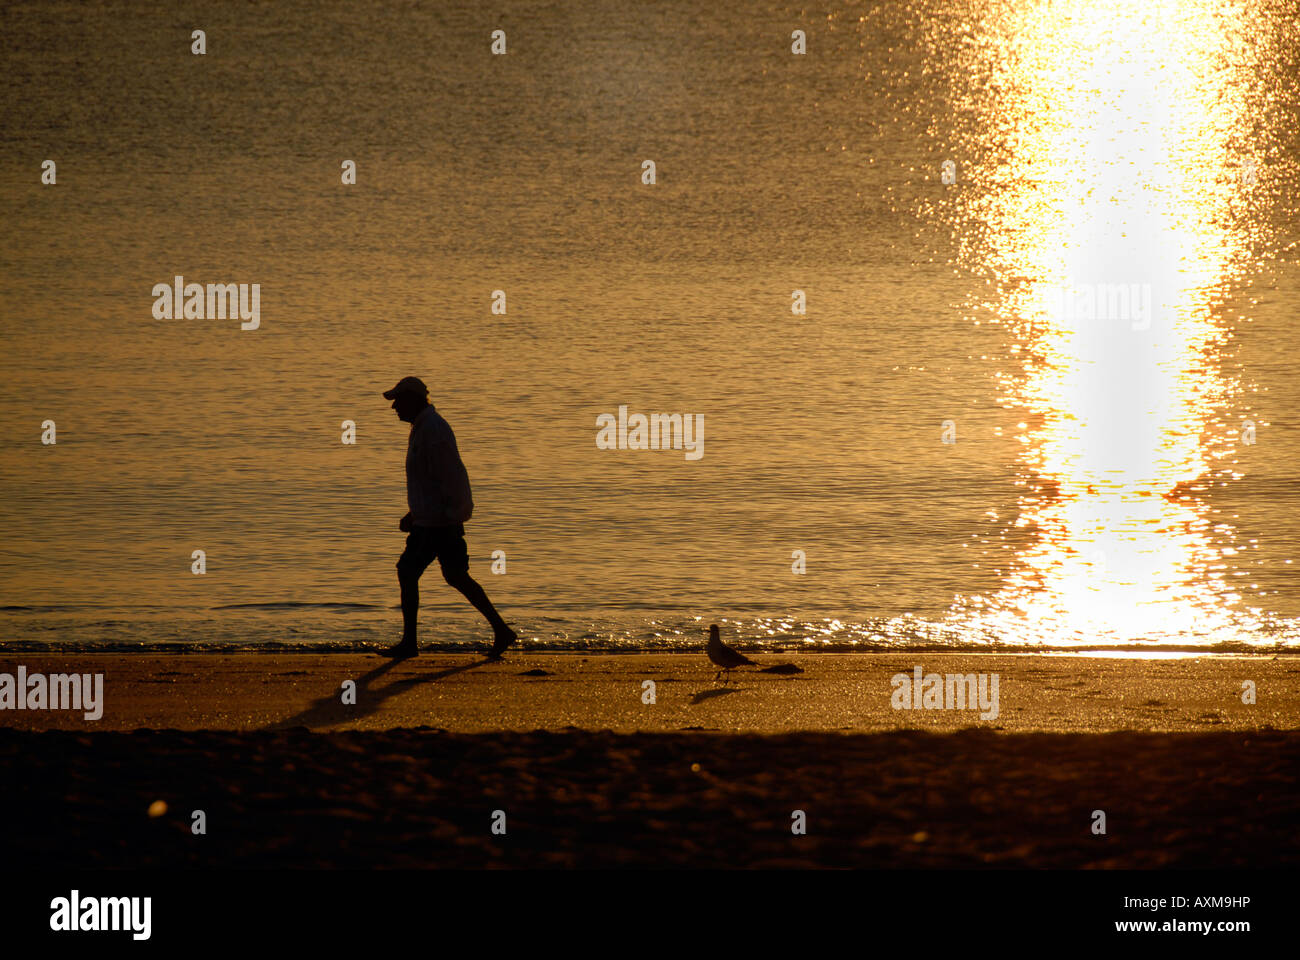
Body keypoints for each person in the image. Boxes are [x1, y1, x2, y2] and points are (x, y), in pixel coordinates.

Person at [379, 376, 517, 659]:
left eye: (398, 401)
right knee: (455, 576)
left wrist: (450, 516)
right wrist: (414, 514)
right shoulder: (423, 428)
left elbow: (452, 477)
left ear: (414, 400)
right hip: (432, 520)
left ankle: (409, 643)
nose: (394, 408)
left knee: (409, 571)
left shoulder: (433, 430)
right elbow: (429, 481)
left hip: (437, 523)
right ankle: (501, 630)